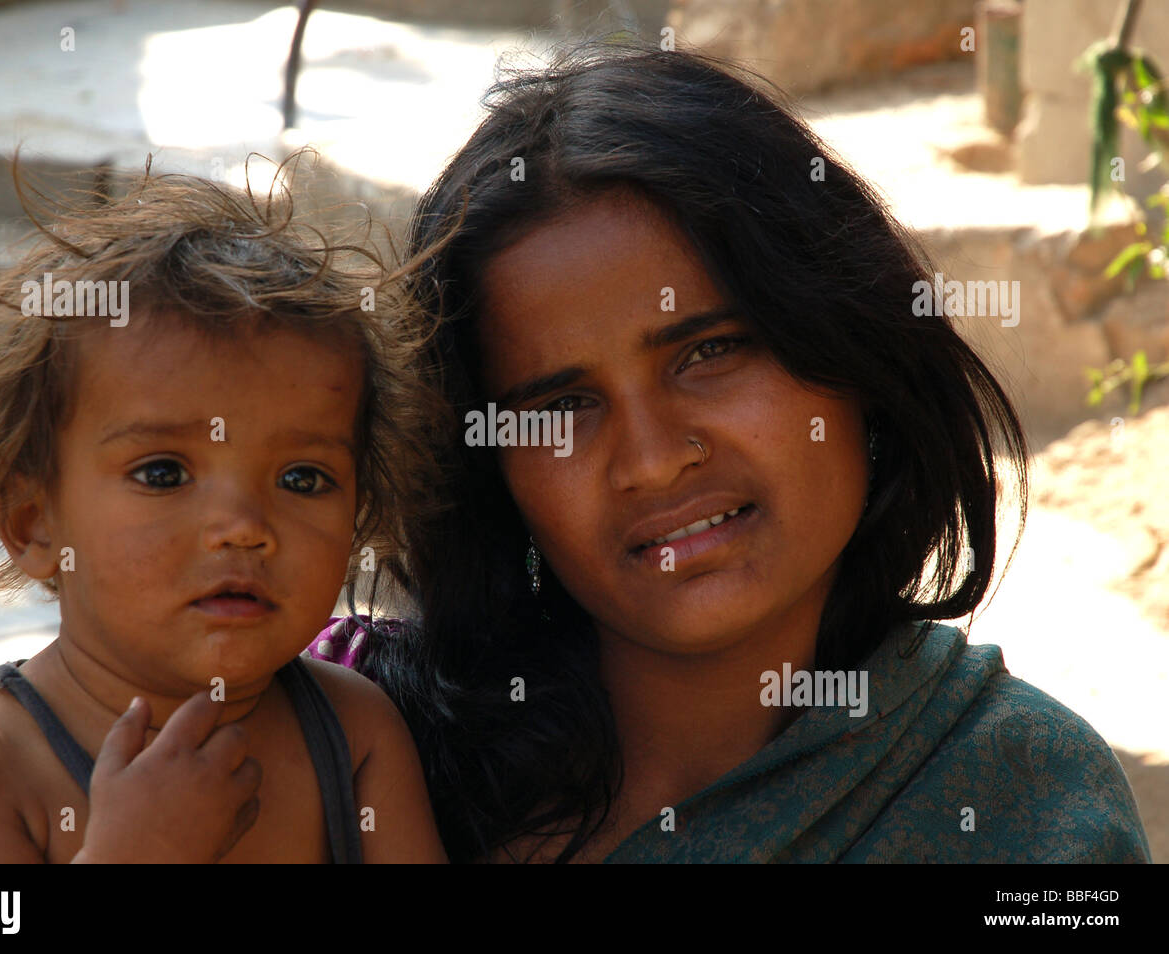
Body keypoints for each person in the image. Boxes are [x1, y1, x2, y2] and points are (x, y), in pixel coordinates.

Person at [313, 40, 1152, 863]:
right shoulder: (349, 757)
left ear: (854, 350)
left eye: (709, 353)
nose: (649, 459)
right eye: (563, 406)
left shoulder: (1022, 804)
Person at [0, 160, 447, 863]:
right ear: (33, 524)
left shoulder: (354, 732)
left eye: (303, 478)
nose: (243, 527)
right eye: (163, 472)